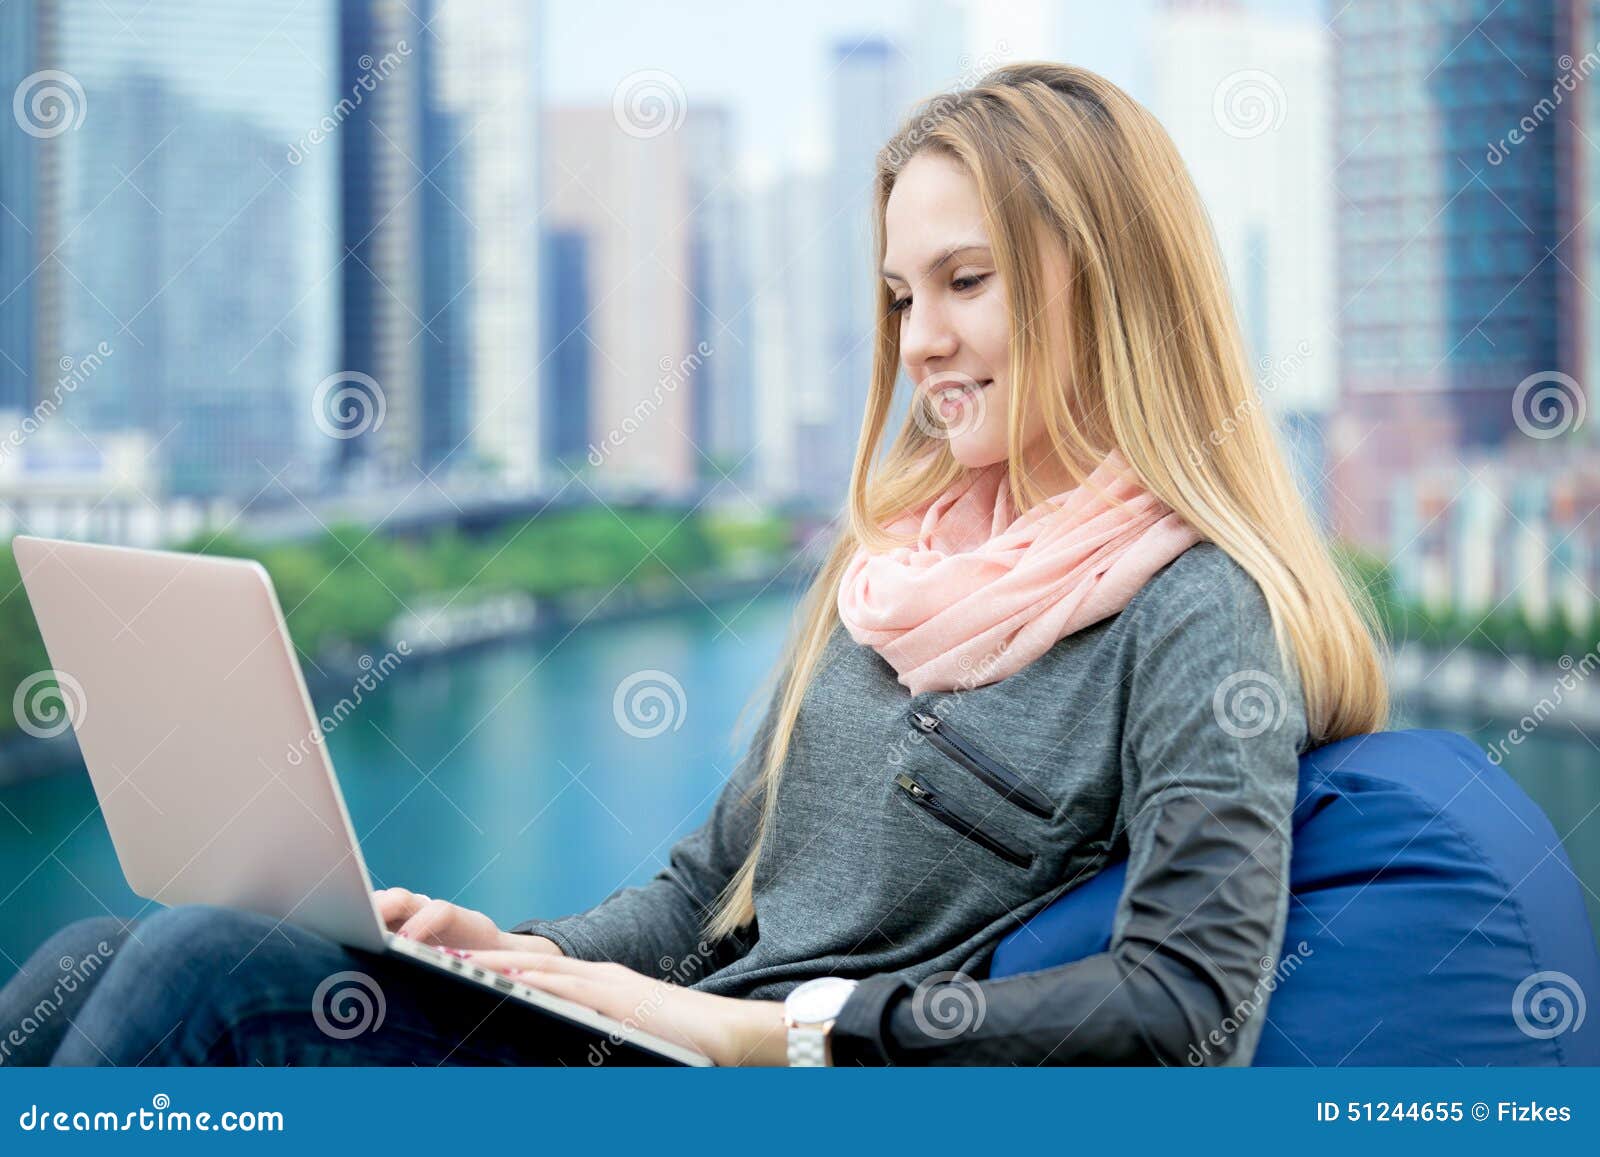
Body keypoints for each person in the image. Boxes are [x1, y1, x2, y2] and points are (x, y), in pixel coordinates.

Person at [0, 61, 1387, 1067]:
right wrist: (501, 948)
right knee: (84, 964)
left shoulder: (1197, 611)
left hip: (743, 1080)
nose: (921, 345)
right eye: (903, 297)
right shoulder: (896, 570)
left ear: (1114, 282)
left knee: (200, 970)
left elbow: (1188, 1004)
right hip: (638, 1045)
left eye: (970, 283)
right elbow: (699, 892)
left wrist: (771, 1032)